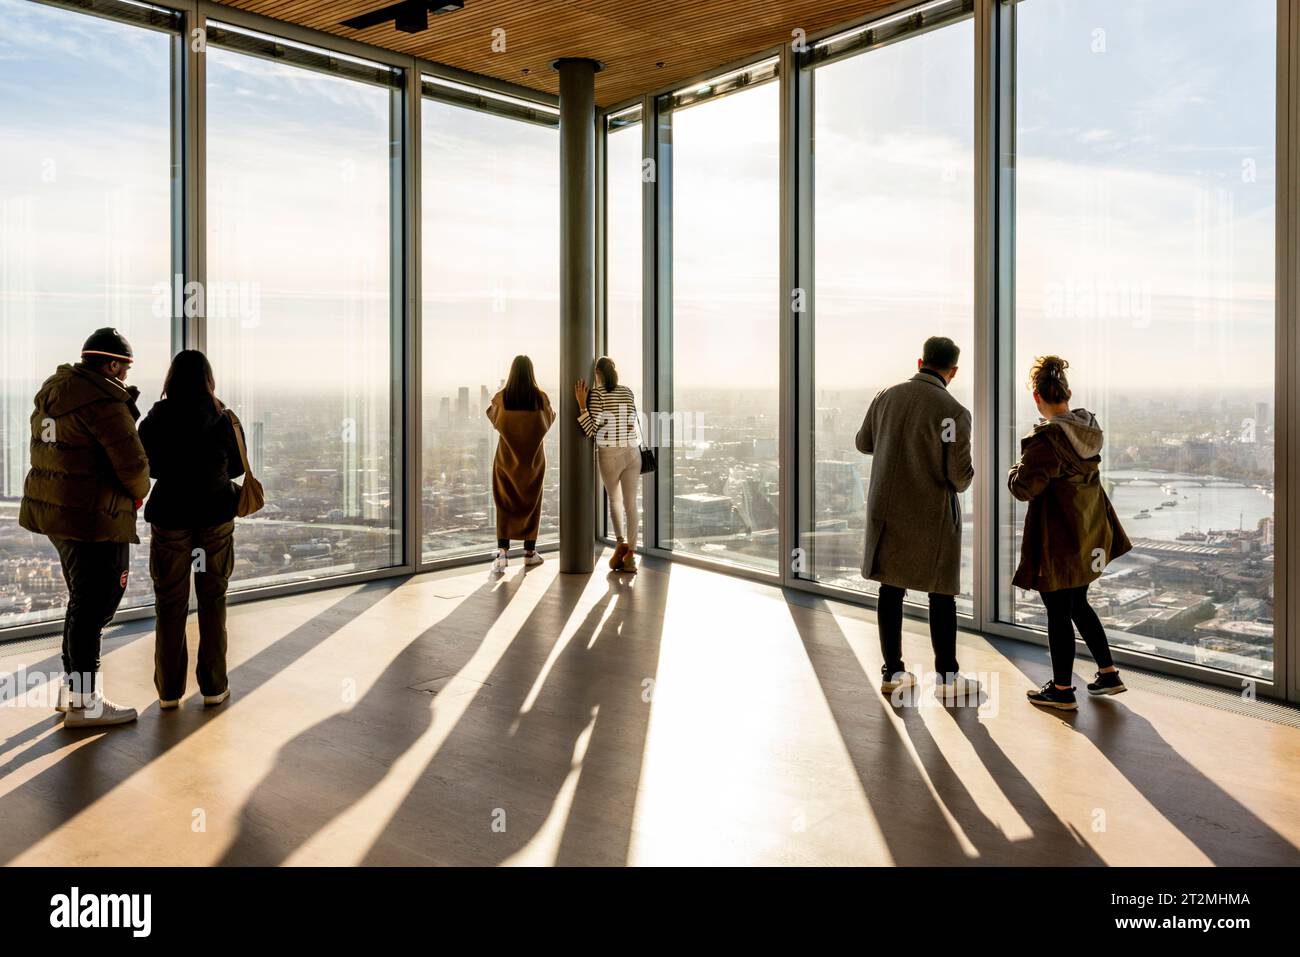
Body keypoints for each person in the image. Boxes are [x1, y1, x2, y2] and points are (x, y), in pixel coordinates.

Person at [19, 328, 150, 728]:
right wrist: (139, 493)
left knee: (82, 602)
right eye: (124, 368)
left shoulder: (56, 393)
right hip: (94, 516)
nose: (126, 376)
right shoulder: (103, 402)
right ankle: (86, 702)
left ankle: (73, 692)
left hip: (58, 514)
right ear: (111, 364)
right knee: (98, 603)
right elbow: (134, 466)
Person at [1009, 355, 1132, 711]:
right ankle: (1108, 672)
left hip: (1059, 537)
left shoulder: (1047, 441)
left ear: (1037, 397)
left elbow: (1023, 488)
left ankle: (1062, 690)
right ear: (1068, 392)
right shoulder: (1088, 430)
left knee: (1058, 610)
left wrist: (1015, 469)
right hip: (1089, 530)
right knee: (1078, 602)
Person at [856, 336, 974, 697]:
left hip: (887, 510)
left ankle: (893, 671)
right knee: (941, 594)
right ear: (953, 371)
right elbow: (958, 477)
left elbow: (864, 443)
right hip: (930, 515)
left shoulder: (886, 396)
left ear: (920, 360)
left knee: (890, 589)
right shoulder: (953, 411)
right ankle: (947, 679)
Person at [137, 351, 243, 710]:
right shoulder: (221, 416)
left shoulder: (157, 417)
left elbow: (145, 466)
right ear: (208, 379)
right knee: (213, 599)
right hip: (215, 514)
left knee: (170, 603)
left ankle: (168, 692)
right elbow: (238, 468)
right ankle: (214, 686)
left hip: (170, 515)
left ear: (171, 379)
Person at [487, 355, 555, 573]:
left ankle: (502, 554)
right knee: (533, 504)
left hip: (506, 461)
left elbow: (492, 415)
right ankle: (529, 552)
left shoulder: (502, 398)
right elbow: (550, 418)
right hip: (533, 462)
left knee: (504, 504)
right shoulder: (540, 398)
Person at [575, 356, 641, 573]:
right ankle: (631, 554)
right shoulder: (628, 391)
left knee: (615, 500)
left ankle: (620, 543)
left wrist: (582, 406)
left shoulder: (597, 394)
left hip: (610, 454)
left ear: (598, 375)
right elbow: (631, 423)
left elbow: (591, 431)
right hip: (632, 452)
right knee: (631, 505)